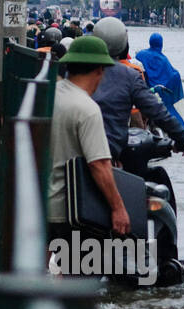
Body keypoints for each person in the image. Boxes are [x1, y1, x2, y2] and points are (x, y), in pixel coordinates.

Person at [45, 35, 131, 242]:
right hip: (70, 211)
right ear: (99, 70)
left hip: (39, 206)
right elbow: (99, 165)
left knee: (48, 267)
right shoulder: (87, 109)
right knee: (77, 272)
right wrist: (118, 208)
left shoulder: (48, 96)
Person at [91, 17, 184, 160]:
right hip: (114, 149)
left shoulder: (77, 71)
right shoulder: (131, 74)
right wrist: (180, 137)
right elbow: (157, 108)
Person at [136, 32, 184, 133]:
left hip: (145, 92)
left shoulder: (141, 55)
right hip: (160, 93)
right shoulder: (164, 60)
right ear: (161, 44)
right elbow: (173, 75)